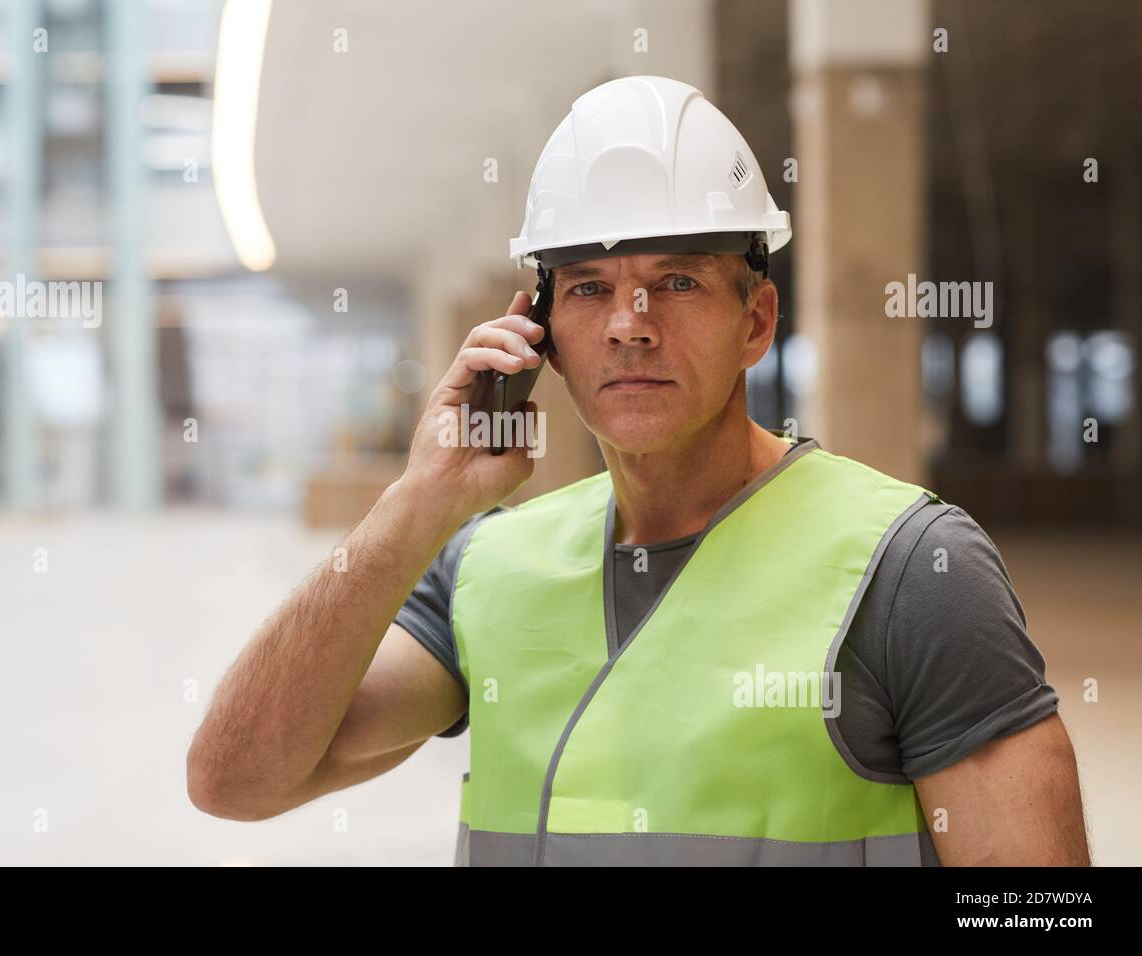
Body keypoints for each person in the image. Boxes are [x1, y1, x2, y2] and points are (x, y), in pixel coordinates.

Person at [187, 75, 1089, 867]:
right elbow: (238, 780)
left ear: (757, 320)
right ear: (539, 339)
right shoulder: (488, 571)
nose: (631, 322)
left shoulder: (909, 572)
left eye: (681, 281)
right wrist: (417, 504)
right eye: (589, 287)